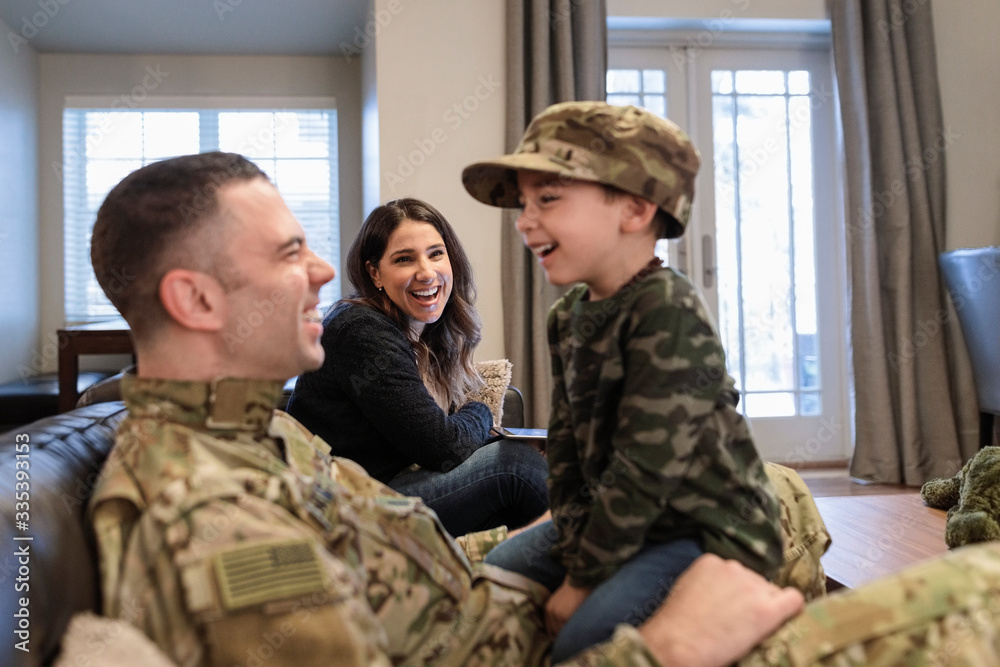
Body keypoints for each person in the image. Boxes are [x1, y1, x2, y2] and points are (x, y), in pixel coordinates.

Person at [84, 151, 1000, 667]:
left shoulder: (246, 425)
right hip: (510, 643)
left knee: (762, 489)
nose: (323, 270)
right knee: (983, 589)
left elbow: (405, 533)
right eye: (289, 253)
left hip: (475, 591)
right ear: (196, 301)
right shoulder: (211, 518)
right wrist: (674, 644)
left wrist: (566, 544)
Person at [462, 101, 782, 661]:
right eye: (524, 202)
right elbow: (564, 447)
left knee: (588, 636)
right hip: (625, 517)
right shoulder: (567, 316)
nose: (524, 219)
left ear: (634, 209)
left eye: (549, 199)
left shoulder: (669, 309)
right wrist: (569, 534)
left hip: (704, 531)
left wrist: (581, 581)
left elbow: (645, 468)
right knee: (499, 573)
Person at [286, 197, 548, 535]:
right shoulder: (361, 329)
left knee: (520, 462)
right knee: (516, 467)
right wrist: (481, 411)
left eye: (436, 253)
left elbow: (435, 439)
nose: (426, 272)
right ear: (375, 273)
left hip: (382, 486)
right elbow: (442, 448)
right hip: (342, 508)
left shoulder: (423, 331)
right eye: (405, 259)